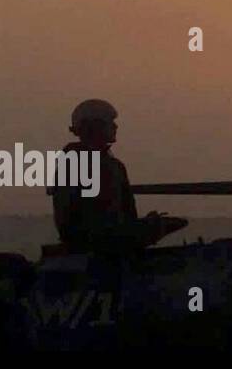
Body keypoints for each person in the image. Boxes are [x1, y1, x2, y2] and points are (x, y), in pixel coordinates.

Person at [48, 99, 185, 255]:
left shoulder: (114, 166)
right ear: (94, 126)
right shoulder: (74, 163)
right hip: (95, 246)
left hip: (110, 240)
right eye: (110, 122)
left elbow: (126, 213)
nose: (115, 126)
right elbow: (74, 221)